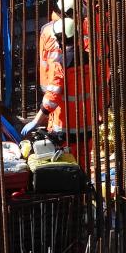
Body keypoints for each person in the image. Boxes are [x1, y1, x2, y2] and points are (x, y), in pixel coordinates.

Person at [22, 18, 108, 169]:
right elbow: (101, 89)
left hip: (65, 128)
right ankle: (85, 189)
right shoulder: (92, 60)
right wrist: (101, 112)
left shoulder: (59, 65)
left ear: (60, 39)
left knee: (68, 167)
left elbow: (51, 99)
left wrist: (36, 121)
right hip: (87, 124)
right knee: (84, 165)